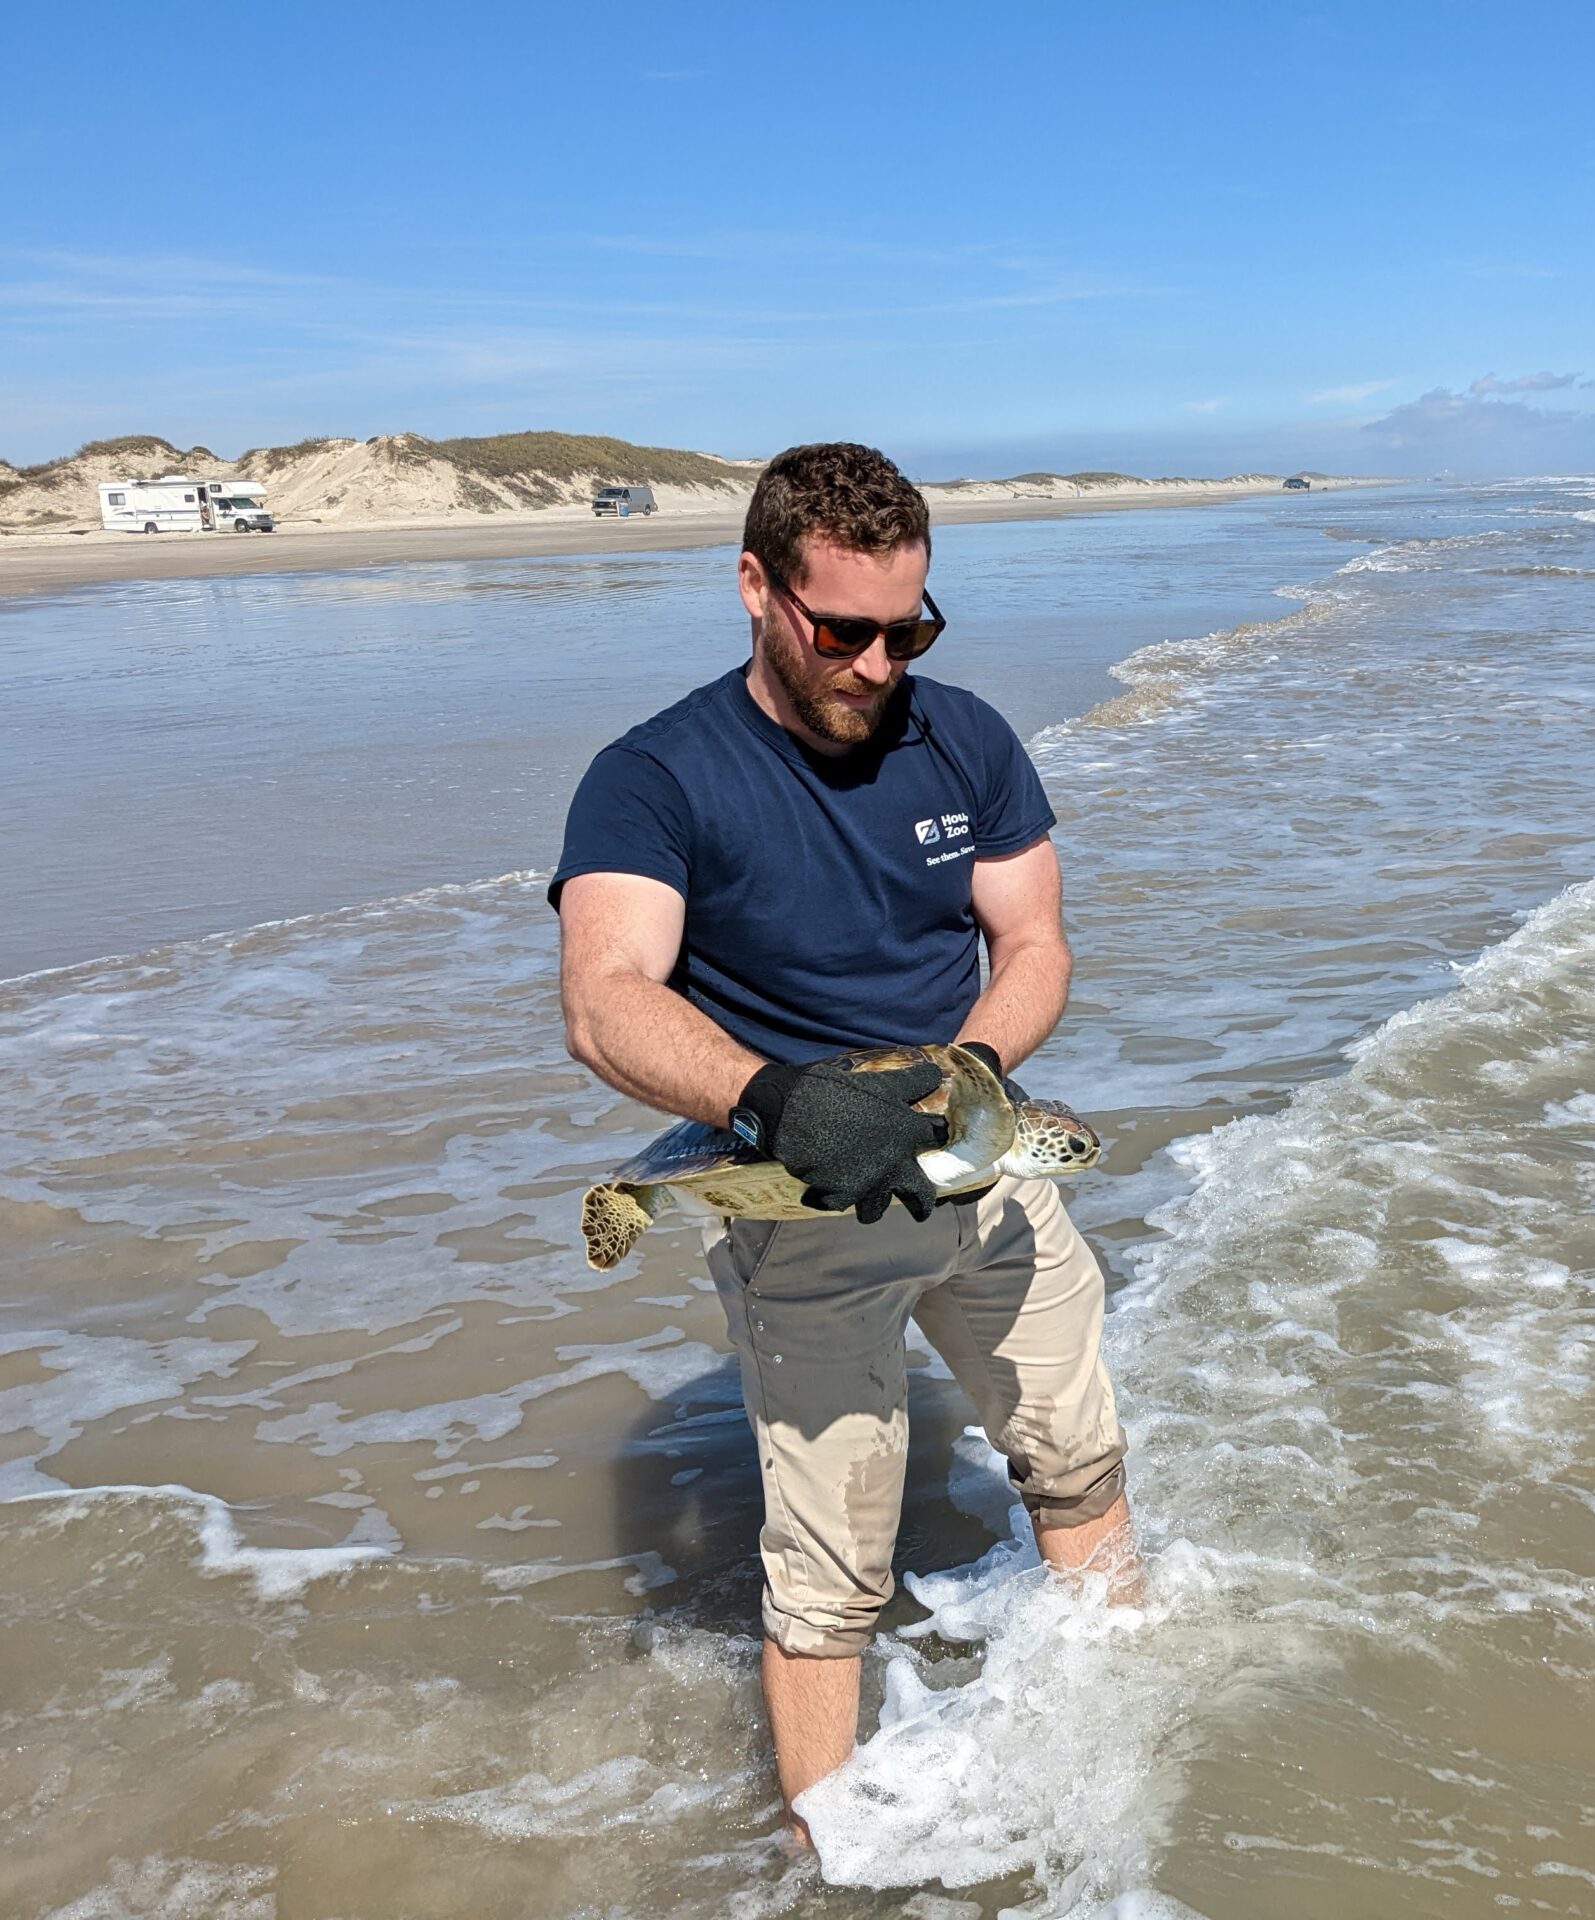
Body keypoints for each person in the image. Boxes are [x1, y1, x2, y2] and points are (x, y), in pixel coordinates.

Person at [549, 442, 1137, 1848]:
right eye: (844, 631)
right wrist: (780, 1103)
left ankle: (1121, 1737)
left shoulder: (969, 738)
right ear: (755, 587)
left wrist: (979, 1071)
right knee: (830, 1567)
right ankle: (823, 1852)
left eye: (909, 629)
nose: (880, 664)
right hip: (797, 1200)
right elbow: (605, 998)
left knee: (1078, 1453)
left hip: (978, 1169)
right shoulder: (655, 777)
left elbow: (1037, 942)